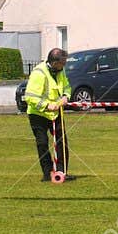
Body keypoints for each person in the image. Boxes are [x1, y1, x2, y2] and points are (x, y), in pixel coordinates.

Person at [24, 48, 73, 182]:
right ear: (55, 62)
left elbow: (67, 87)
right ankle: (48, 173)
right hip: (38, 114)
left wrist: (65, 96)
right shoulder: (39, 73)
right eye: (63, 62)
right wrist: (47, 105)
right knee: (42, 143)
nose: (65, 65)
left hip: (56, 113)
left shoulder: (61, 71)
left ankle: (62, 172)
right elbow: (30, 97)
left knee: (61, 142)